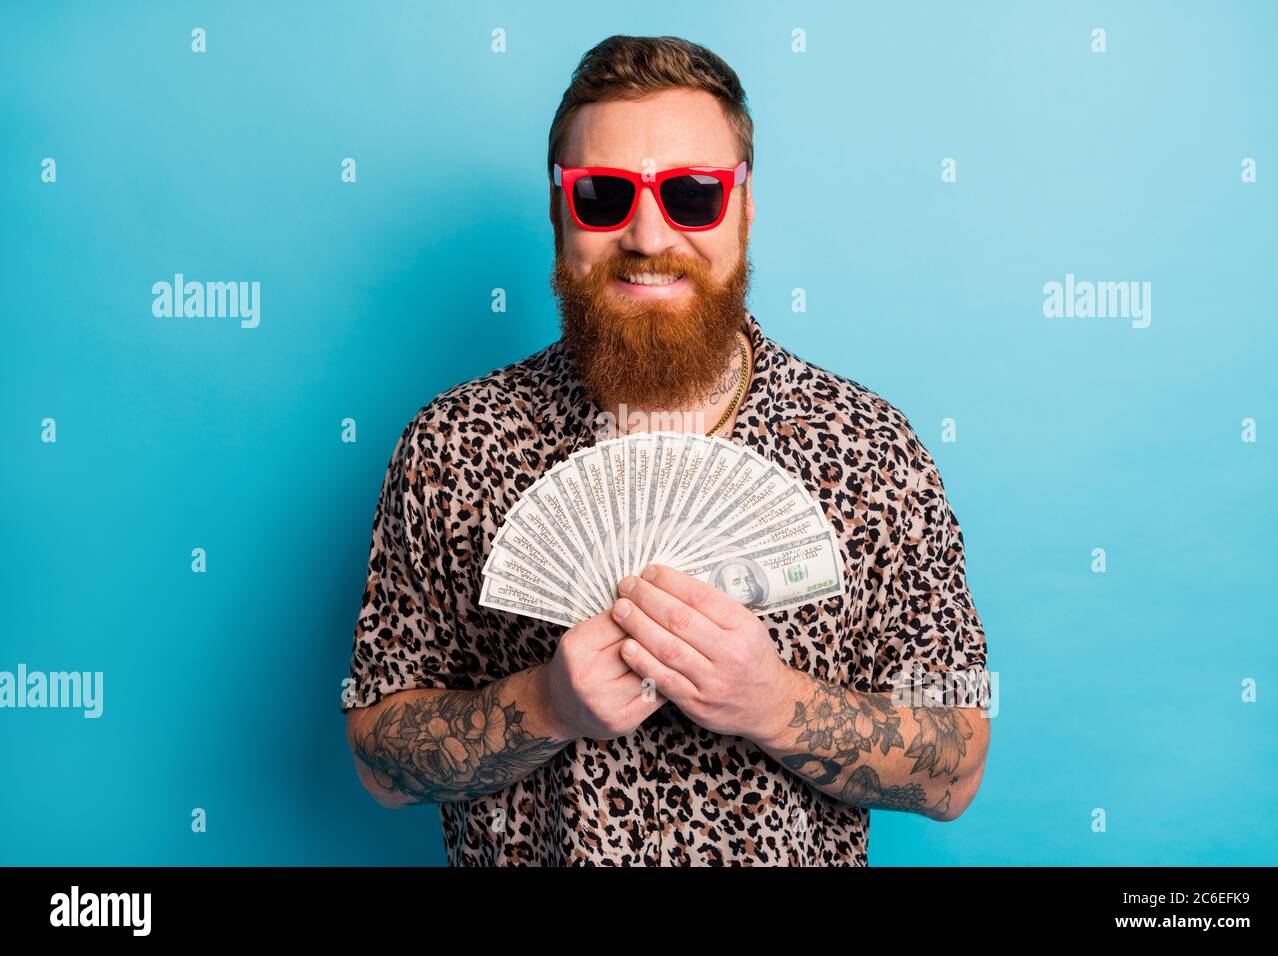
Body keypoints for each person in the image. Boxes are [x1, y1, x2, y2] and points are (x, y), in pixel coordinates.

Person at [342, 35, 991, 866]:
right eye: (603, 195)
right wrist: (544, 704)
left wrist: (774, 702)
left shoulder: (870, 449)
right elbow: (378, 760)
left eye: (692, 194)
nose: (648, 236)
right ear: (558, 212)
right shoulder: (452, 445)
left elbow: (956, 769)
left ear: (745, 207)